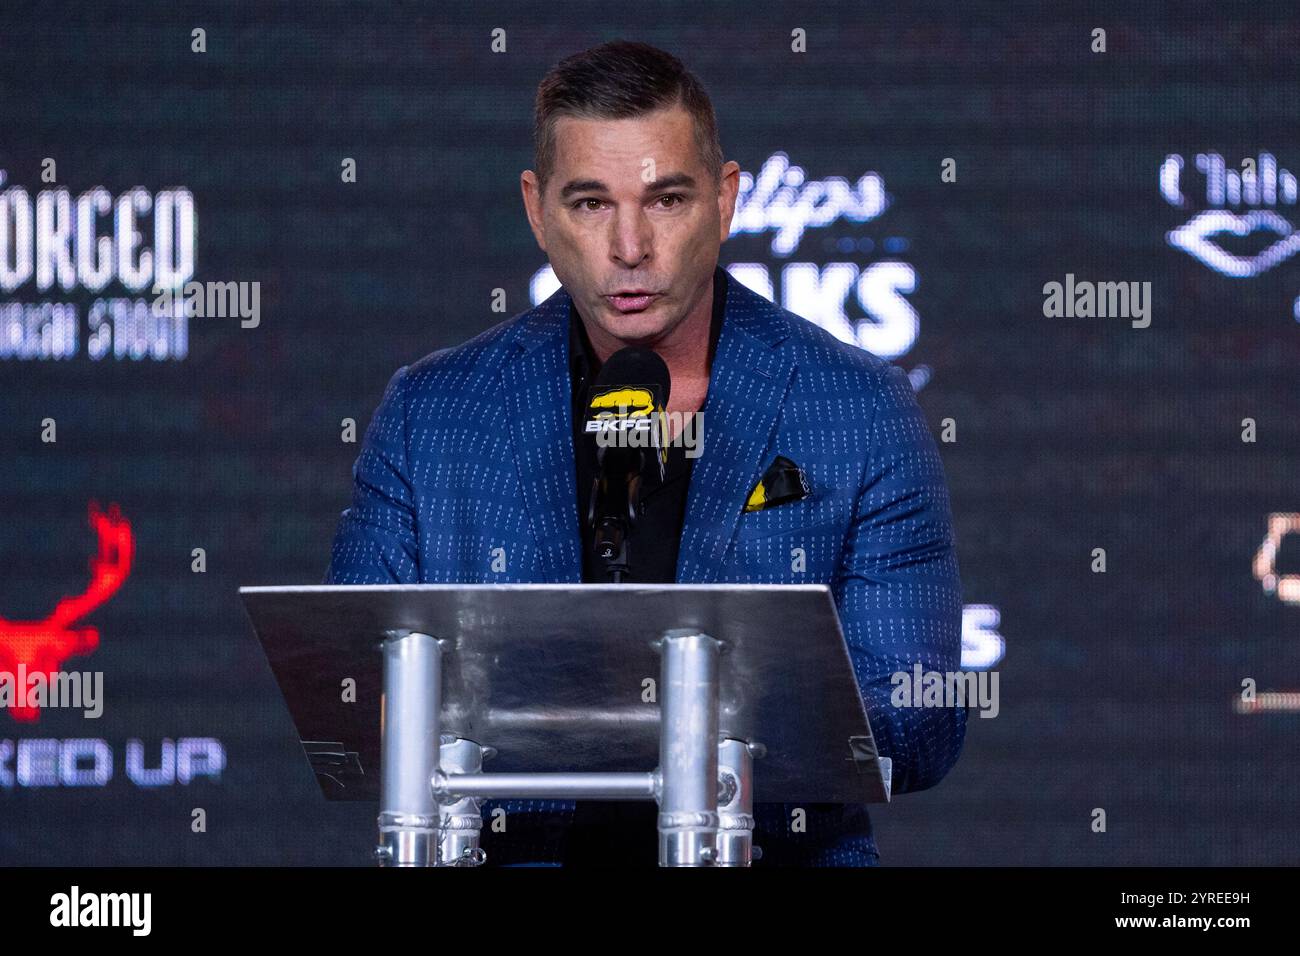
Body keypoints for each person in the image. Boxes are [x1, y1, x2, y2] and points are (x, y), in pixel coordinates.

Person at [325, 39, 966, 866]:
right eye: (591, 204)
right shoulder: (433, 412)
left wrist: (678, 717)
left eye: (666, 200)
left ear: (727, 200)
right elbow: (346, 697)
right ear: (536, 209)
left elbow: (921, 721)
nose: (630, 247)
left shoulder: (857, 409)